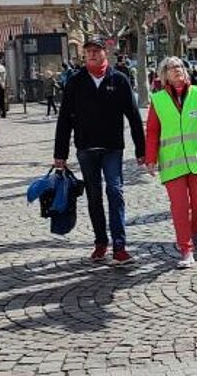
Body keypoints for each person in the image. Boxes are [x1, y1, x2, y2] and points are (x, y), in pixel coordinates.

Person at [54, 37, 145, 264]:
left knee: (115, 191)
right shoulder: (75, 82)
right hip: (86, 148)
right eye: (88, 51)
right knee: (94, 196)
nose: (92, 54)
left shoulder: (119, 80)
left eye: (96, 50)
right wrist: (60, 154)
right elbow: (64, 119)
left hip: (112, 147)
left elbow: (134, 117)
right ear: (84, 55)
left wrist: (141, 149)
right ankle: (100, 242)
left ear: (105, 53)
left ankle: (120, 246)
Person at [144, 56, 197, 269]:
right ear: (164, 74)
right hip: (173, 162)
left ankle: (194, 230)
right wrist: (150, 158)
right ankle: (186, 250)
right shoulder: (158, 99)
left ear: (185, 71)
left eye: (180, 66)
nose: (177, 70)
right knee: (179, 207)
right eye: (171, 68)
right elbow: (152, 131)